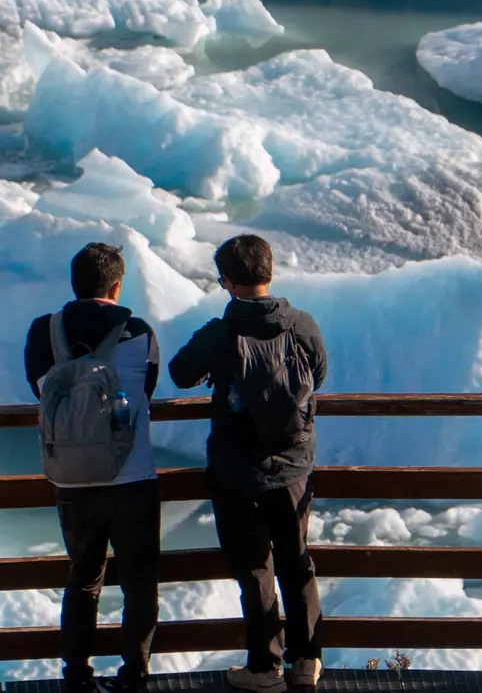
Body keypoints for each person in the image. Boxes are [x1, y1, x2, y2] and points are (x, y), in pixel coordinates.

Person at [170, 235, 329, 692]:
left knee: (256, 569)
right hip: (293, 466)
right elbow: (318, 376)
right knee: (296, 562)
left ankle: (264, 669)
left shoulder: (221, 332)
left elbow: (180, 373)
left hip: (237, 472)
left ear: (226, 281)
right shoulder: (301, 324)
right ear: (270, 271)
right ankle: (307, 662)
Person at [25, 242, 162, 693]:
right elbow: (147, 390)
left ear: (74, 283)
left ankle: (77, 676)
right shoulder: (139, 332)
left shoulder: (44, 332)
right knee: (139, 583)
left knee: (83, 580)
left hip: (72, 478)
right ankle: (135, 675)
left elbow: (41, 392)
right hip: (133, 478)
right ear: (116, 287)